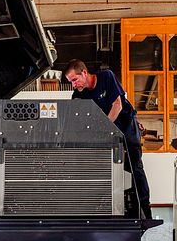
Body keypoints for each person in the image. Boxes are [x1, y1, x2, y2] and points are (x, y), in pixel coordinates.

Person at [64, 59, 152, 219]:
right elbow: (74, 117)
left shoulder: (106, 77)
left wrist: (102, 130)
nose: (73, 85)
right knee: (107, 169)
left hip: (126, 125)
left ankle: (145, 211)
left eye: (75, 80)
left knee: (134, 167)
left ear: (84, 73)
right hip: (108, 132)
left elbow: (117, 105)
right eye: (70, 82)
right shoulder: (79, 94)